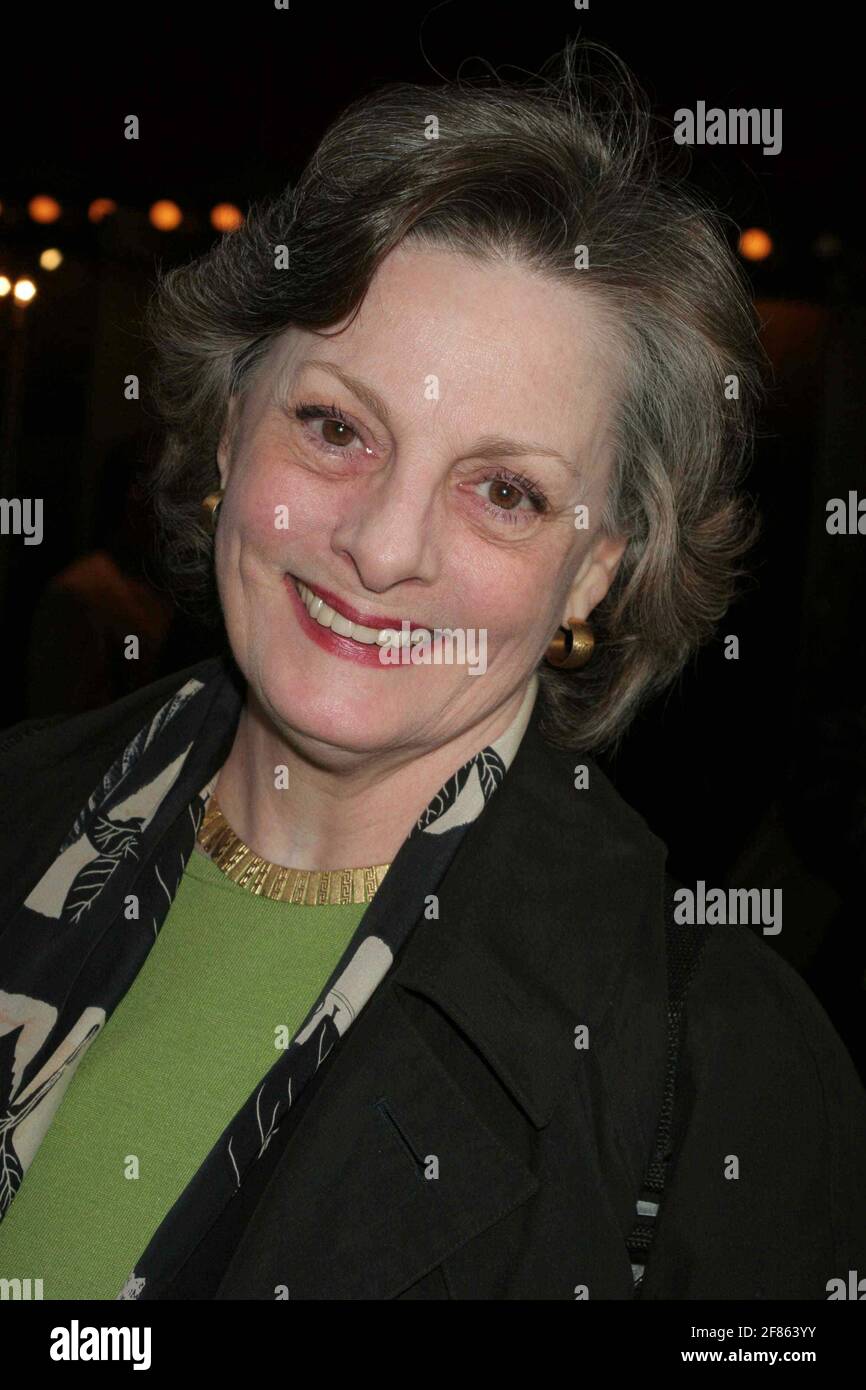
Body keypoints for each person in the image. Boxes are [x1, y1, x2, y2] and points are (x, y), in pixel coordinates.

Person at [1, 40, 864, 1302]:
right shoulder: (20, 807)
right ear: (229, 431)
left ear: (596, 573)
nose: (383, 545)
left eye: (506, 491)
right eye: (335, 426)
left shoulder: (723, 1079)